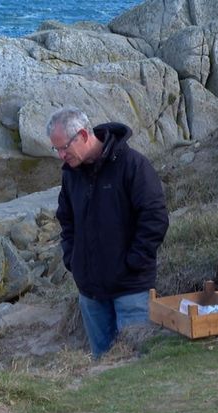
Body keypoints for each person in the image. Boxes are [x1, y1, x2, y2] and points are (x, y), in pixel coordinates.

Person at [47, 107, 169, 358]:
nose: (61, 155)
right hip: (90, 294)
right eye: (56, 149)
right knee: (102, 370)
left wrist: (134, 262)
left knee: (137, 364)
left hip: (132, 290)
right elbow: (66, 221)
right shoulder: (71, 175)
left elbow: (155, 217)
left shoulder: (133, 165)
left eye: (64, 147)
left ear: (82, 134)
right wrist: (73, 260)